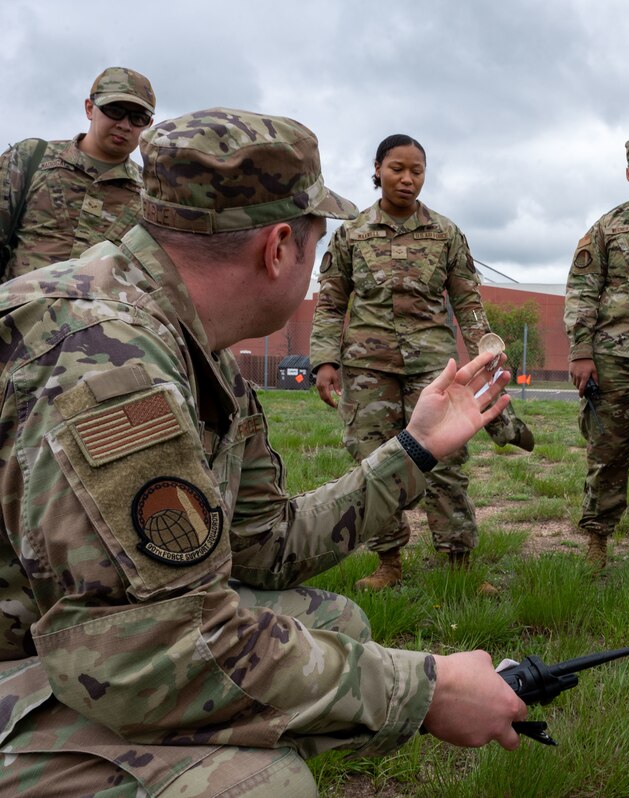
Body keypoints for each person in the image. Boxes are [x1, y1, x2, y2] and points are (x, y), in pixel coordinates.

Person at [0, 108, 527, 797]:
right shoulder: (107, 363)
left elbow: (263, 545)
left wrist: (416, 449)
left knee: (338, 622)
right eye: (314, 241)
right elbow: (153, 654)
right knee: (260, 788)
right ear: (280, 247)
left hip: (73, 629)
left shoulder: (191, 342)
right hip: (36, 655)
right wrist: (425, 690)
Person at [309, 133, 534, 591]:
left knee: (447, 460)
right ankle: (388, 562)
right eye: (397, 169)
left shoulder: (446, 233)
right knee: (374, 461)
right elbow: (330, 303)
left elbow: (468, 304)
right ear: (377, 170)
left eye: (417, 171)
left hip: (434, 367)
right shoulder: (351, 233)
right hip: (368, 368)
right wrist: (324, 362)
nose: (408, 179)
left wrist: (488, 353)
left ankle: (458, 563)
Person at [564, 133, 629, 569]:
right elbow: (582, 291)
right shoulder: (607, 228)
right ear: (628, 173)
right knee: (606, 451)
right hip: (613, 354)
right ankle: (597, 540)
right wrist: (580, 351)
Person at [0, 66, 155, 282]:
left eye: (138, 118)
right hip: (19, 311)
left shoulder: (150, 193)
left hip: (101, 314)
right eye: (114, 111)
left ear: (150, 125)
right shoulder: (31, 158)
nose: (125, 125)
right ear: (90, 109)